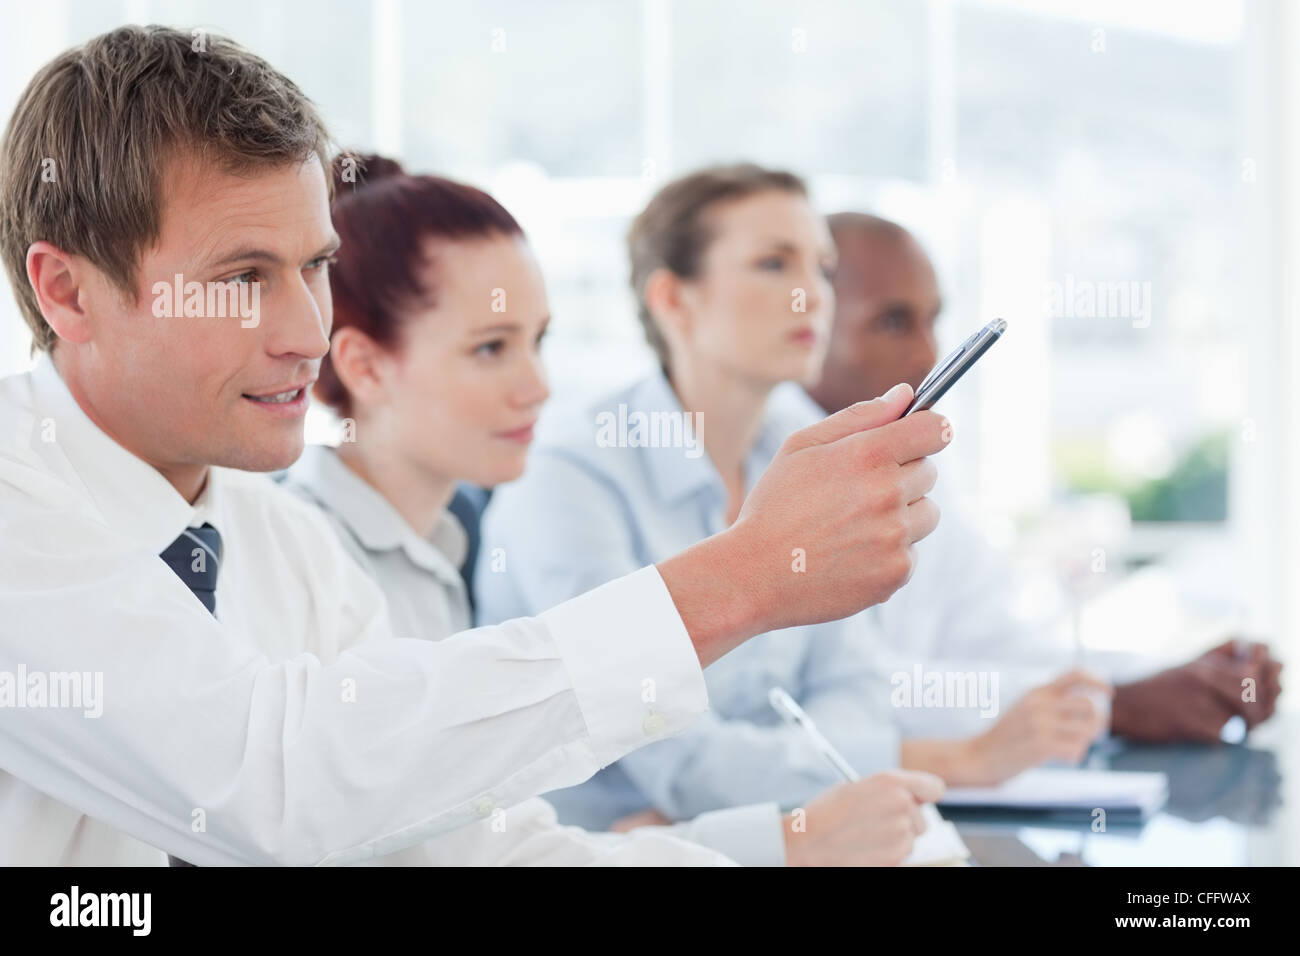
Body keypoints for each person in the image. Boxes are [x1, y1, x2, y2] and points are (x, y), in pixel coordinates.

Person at [0, 27, 948, 866]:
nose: (306, 331)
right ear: (70, 293)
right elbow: (268, 781)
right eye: (243, 277)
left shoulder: (286, 547)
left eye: (316, 266)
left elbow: (477, 847)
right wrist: (743, 578)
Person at [280, 155, 945, 867]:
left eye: (539, 343)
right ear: (365, 366)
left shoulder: (441, 552)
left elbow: (486, 836)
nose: (537, 386)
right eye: (491, 349)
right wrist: (779, 840)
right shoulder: (305, 561)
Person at [475, 165, 1108, 838]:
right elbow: (677, 759)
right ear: (674, 300)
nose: (812, 295)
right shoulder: (571, 478)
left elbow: (857, 690)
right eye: (774, 264)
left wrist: (748, 800)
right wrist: (959, 760)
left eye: (823, 269)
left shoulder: (802, 452)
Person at [805, 211, 1285, 742]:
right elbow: (857, 694)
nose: (927, 352)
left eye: (933, 320)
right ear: (809, 325)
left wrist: (1167, 674)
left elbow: (1001, 647)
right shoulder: (773, 483)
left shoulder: (912, 473)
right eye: (894, 321)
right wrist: (1113, 706)